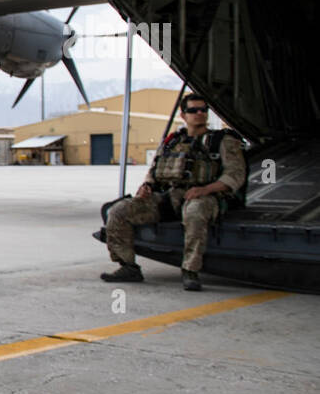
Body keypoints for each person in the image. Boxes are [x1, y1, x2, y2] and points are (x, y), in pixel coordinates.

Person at [101, 94, 247, 291]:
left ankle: (190, 271)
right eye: (193, 110)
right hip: (170, 198)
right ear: (183, 115)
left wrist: (205, 189)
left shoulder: (223, 141)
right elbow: (154, 171)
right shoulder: (172, 141)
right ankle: (128, 266)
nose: (200, 114)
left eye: (203, 110)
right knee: (119, 210)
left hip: (206, 197)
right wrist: (147, 187)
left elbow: (235, 175)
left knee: (195, 212)